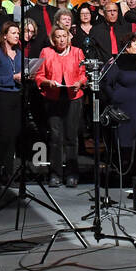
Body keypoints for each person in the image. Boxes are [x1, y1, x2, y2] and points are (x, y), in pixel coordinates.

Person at [36, 25, 88, 187]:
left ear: (68, 37)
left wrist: (80, 83)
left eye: (64, 36)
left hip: (73, 97)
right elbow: (39, 75)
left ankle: (72, 174)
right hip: (53, 98)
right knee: (55, 137)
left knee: (71, 137)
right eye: (58, 37)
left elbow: (83, 74)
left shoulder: (77, 52)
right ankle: (55, 174)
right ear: (53, 39)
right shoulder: (46, 52)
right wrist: (48, 82)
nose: (61, 40)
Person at [105, 30, 136, 181]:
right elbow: (106, 83)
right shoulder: (117, 62)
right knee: (125, 140)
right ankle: (126, 175)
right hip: (125, 108)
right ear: (127, 47)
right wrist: (115, 98)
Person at [0, 20, 25, 188]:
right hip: (3, 95)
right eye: (13, 33)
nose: (17, 36)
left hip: (17, 95)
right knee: (3, 136)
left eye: (18, 33)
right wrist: (13, 77)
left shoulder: (20, 54)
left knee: (13, 135)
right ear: (4, 35)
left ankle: (8, 174)